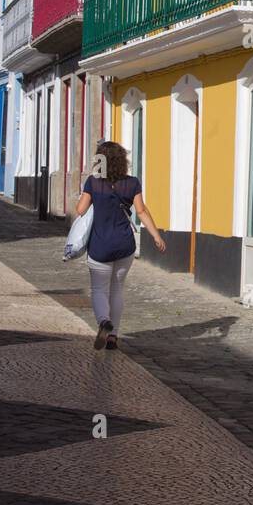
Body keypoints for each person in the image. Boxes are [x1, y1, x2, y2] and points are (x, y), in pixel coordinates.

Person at [74, 140, 166, 351]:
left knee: (99, 289)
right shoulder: (132, 182)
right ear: (122, 161)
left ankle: (104, 321)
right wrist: (156, 235)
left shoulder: (93, 182)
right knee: (117, 290)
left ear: (100, 161)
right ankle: (113, 336)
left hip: (100, 246)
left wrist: (88, 189)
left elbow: (80, 210)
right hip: (125, 245)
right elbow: (141, 211)